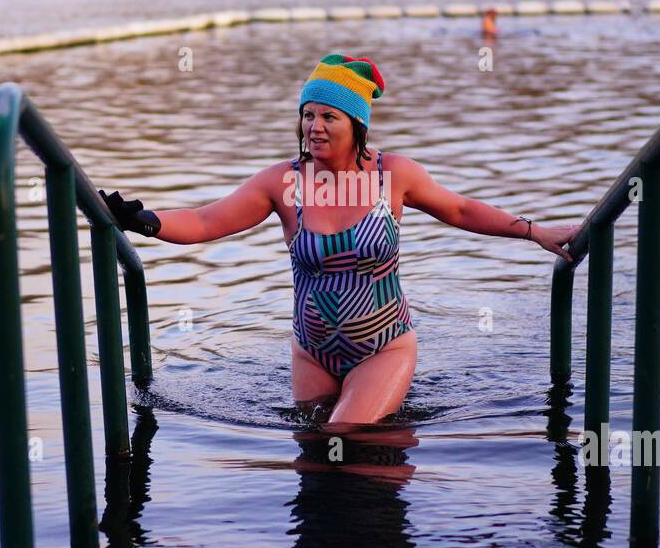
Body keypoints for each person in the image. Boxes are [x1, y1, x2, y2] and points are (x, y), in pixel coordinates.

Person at [100, 53, 581, 426]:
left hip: (384, 346)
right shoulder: (281, 184)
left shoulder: (393, 175)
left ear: (357, 124)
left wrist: (535, 231)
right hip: (311, 351)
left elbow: (459, 209)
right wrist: (142, 219)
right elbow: (206, 222)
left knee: (344, 435)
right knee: (313, 456)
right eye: (308, 115)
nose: (314, 126)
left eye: (329, 116)